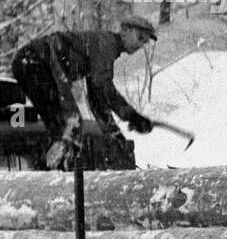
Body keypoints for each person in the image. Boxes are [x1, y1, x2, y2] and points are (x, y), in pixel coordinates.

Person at [10, 15, 157, 169]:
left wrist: (114, 134)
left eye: (144, 42)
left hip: (28, 63)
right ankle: (51, 176)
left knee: (63, 129)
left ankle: (47, 171)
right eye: (140, 37)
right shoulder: (105, 45)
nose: (140, 45)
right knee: (70, 126)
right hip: (34, 62)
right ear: (124, 30)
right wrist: (132, 116)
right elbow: (104, 88)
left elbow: (97, 99)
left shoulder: (101, 49)